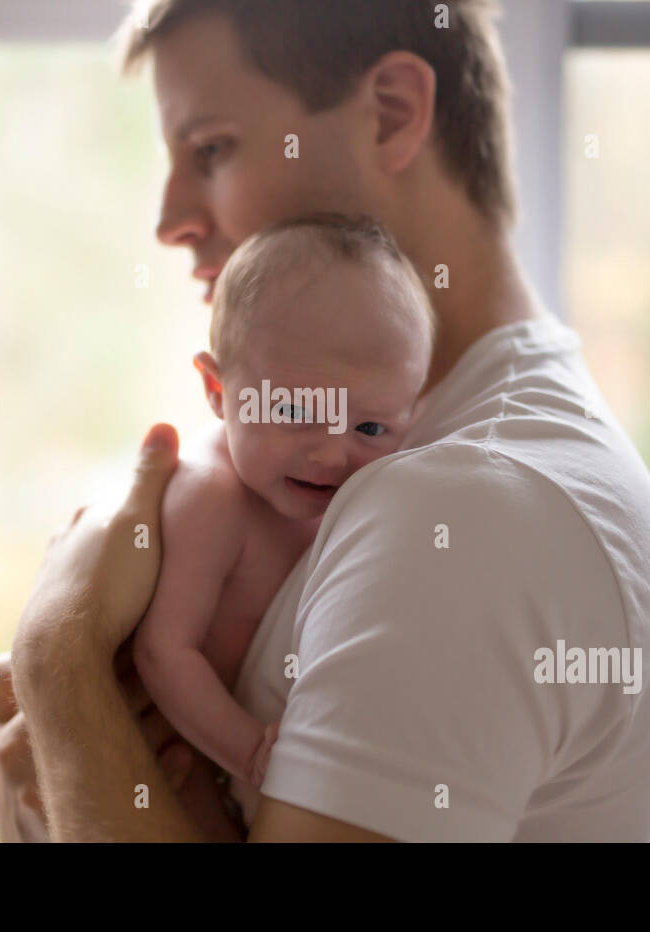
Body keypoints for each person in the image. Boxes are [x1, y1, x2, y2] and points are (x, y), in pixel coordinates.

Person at [0, 0, 650, 842]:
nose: (169, 219)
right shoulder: (378, 458)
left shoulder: (461, 510)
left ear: (390, 111)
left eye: (211, 148)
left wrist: (60, 665)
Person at [133, 213, 435, 791]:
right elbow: (164, 652)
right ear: (218, 391)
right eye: (294, 412)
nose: (328, 457)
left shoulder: (346, 491)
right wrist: (250, 753)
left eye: (370, 428)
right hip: (181, 758)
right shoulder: (212, 499)